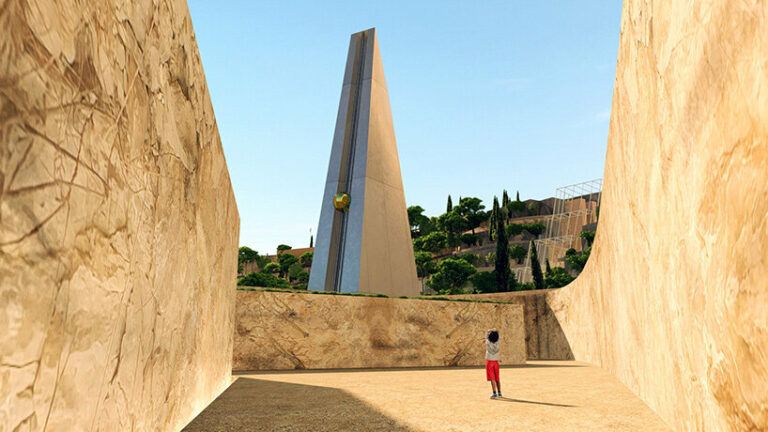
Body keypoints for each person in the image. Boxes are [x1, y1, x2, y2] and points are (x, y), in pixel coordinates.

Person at [485, 328, 501, 399]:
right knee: (497, 378)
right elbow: (499, 337)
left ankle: (494, 393)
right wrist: (495, 331)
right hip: (496, 362)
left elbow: (486, 336)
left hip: (489, 361)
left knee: (492, 378)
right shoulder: (498, 343)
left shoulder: (488, 342)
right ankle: (499, 392)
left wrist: (488, 331)